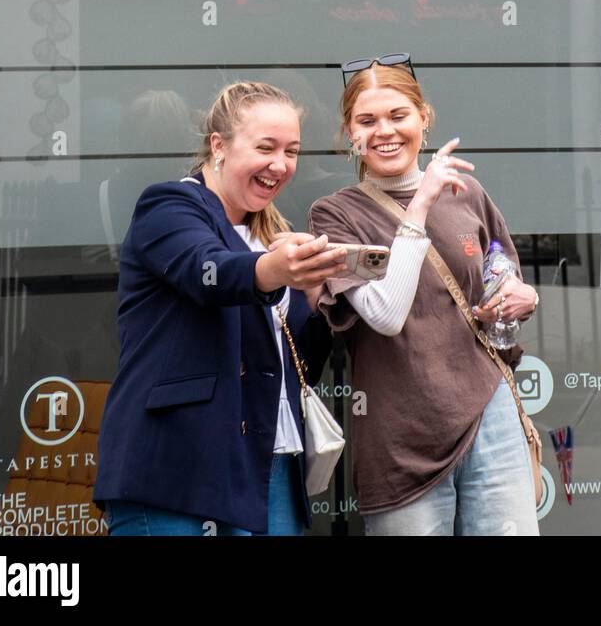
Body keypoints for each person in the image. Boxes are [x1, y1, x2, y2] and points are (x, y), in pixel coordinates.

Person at [93, 81, 347, 536]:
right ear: (219, 146)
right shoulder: (169, 205)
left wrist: (313, 297)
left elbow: (296, 364)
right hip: (175, 470)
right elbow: (207, 271)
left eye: (292, 151)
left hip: (270, 469)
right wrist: (273, 270)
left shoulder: (274, 236)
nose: (280, 164)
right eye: (266, 147)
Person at [307, 56, 540, 536]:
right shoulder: (334, 216)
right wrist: (421, 204)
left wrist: (523, 296)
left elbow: (503, 273)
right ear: (349, 133)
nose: (384, 131)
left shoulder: (467, 192)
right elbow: (386, 316)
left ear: (423, 118)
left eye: (398, 115)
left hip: (488, 412)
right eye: (366, 121)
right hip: (400, 435)